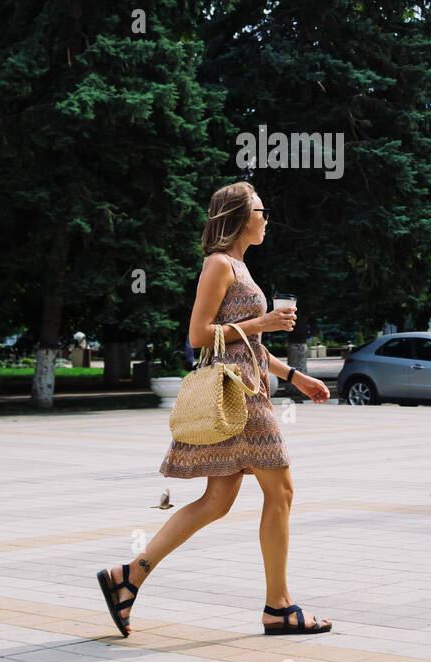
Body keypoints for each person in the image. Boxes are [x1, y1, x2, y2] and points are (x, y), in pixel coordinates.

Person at [97, 181, 332, 638]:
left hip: (248, 388)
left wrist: (295, 376)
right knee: (280, 492)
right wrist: (262, 321)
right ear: (242, 217)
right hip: (237, 395)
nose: (267, 218)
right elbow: (199, 336)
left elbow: (250, 344)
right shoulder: (219, 264)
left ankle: (129, 577)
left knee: (217, 501)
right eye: (262, 210)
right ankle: (278, 606)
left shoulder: (241, 267)